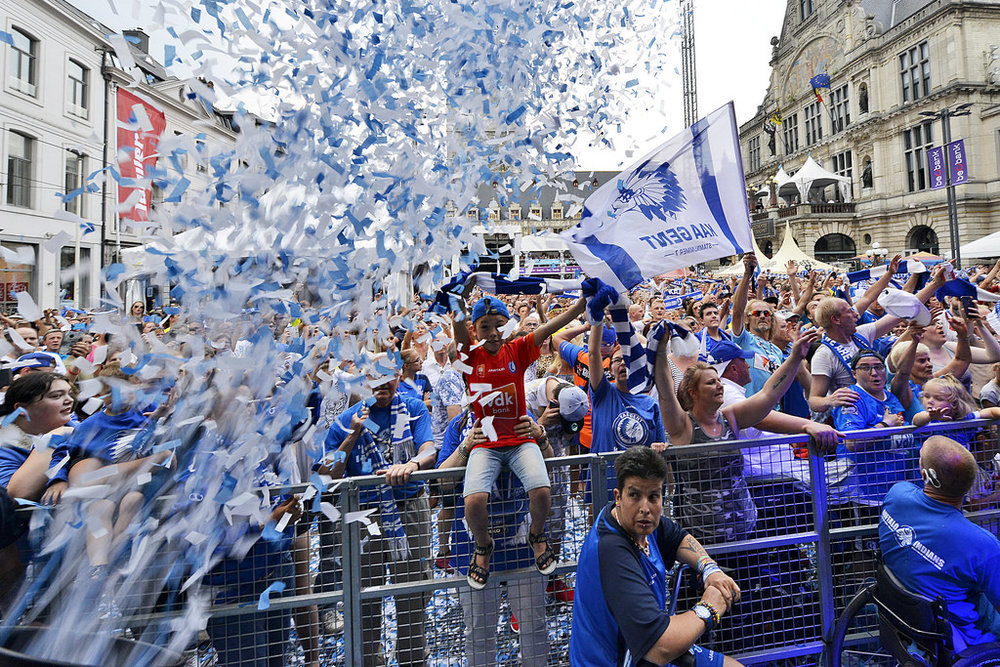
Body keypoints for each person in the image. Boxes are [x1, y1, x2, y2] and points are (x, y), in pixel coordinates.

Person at [451, 287, 586, 589]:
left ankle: (537, 534)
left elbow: (551, 327)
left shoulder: (517, 350)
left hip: (520, 442)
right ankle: (483, 546)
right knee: (474, 500)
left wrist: (580, 306)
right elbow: (459, 333)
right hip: (485, 445)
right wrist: (458, 301)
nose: (494, 332)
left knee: (541, 491)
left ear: (508, 324)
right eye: (485, 327)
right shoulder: (470, 358)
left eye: (499, 325)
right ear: (475, 330)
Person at [570, 445, 743, 667]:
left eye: (653, 496)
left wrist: (710, 569)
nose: (645, 508)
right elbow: (661, 647)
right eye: (635, 495)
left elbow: (679, 537)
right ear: (618, 496)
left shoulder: (641, 524)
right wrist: (709, 608)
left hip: (646, 648)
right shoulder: (612, 551)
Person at [319, 355, 438, 667]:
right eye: (375, 375)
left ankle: (412, 657)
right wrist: (352, 436)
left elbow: (429, 448)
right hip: (364, 514)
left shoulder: (414, 408)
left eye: (390, 375)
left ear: (399, 378)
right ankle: (370, 659)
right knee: (365, 591)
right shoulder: (346, 420)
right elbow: (328, 475)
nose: (383, 382)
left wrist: (412, 464)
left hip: (409, 507)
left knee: (413, 589)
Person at [437, 410, 551, 666]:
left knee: (533, 626)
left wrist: (540, 436)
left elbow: (549, 467)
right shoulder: (461, 425)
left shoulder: (523, 415)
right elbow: (442, 481)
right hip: (471, 550)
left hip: (522, 547)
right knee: (478, 632)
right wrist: (467, 446)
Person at [879, 436, 1000, 651]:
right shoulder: (983, 544)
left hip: (905, 615)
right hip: (964, 635)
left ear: (924, 475)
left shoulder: (897, 494)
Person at [0, 372, 75, 502]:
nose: (70, 400)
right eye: (56, 396)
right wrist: (54, 439)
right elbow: (15, 496)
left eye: (69, 393)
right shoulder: (4, 448)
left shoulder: (85, 429)